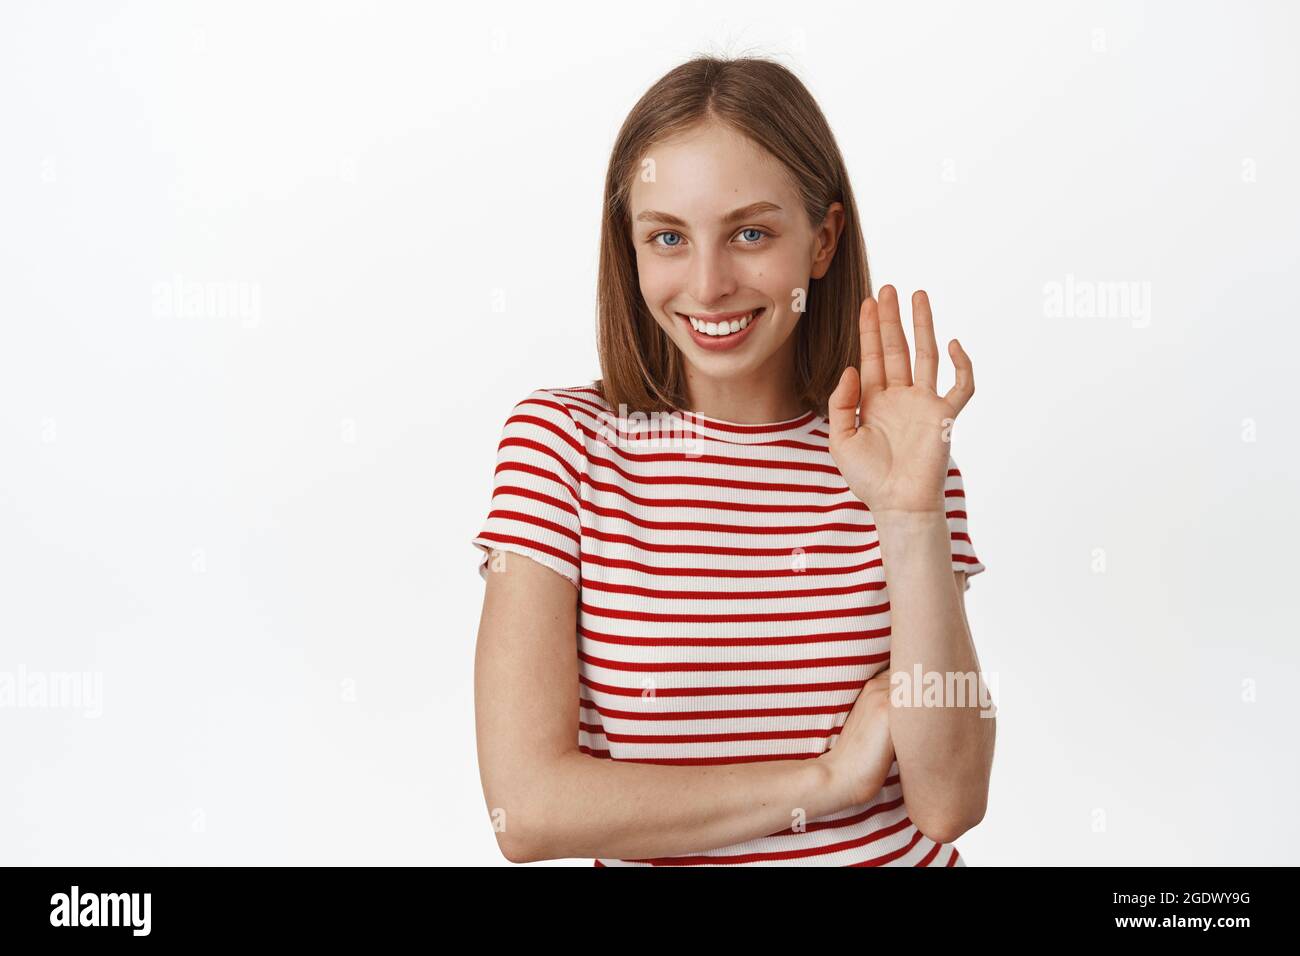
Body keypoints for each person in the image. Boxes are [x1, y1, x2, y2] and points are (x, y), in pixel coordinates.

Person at [471, 54, 993, 866]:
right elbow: (527, 812)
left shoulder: (897, 453)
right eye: (669, 237)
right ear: (632, 248)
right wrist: (823, 780)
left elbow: (950, 800)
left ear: (822, 240)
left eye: (751, 233)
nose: (710, 284)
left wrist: (909, 515)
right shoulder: (564, 447)